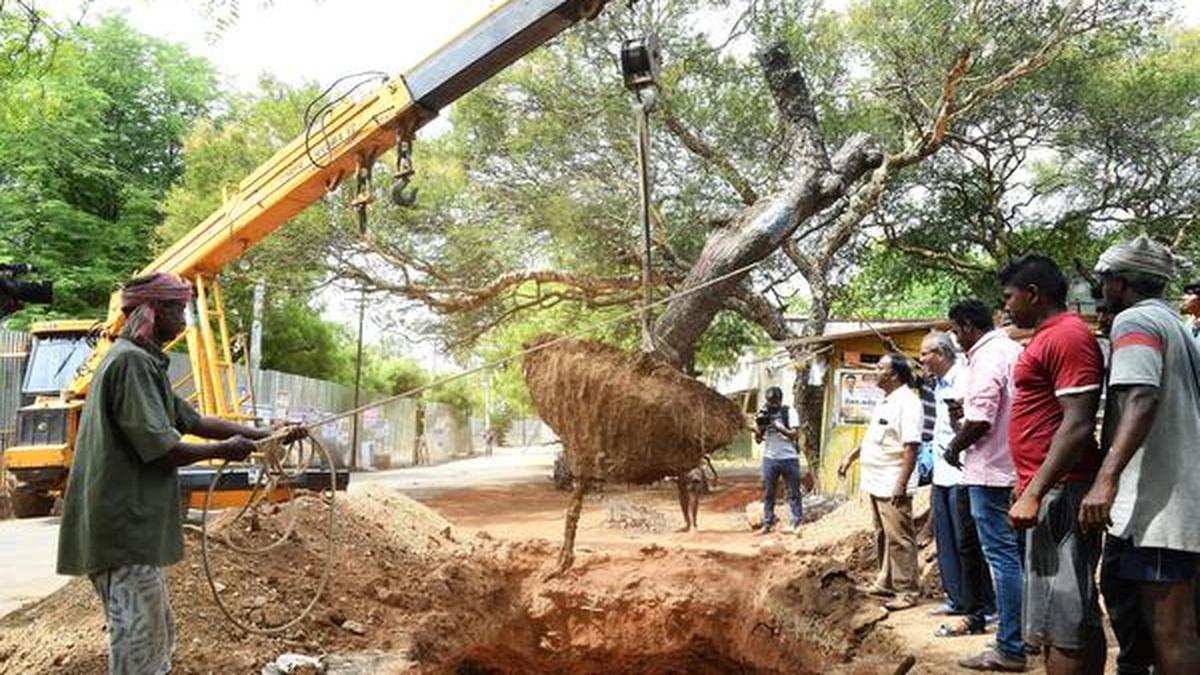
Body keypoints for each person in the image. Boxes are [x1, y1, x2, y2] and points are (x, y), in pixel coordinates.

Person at [56, 273, 306, 675]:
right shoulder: (131, 362)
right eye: (179, 309)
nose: (184, 319)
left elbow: (195, 421)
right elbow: (162, 449)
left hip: (130, 534)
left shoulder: (141, 361)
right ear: (154, 311)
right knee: (140, 642)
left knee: (155, 635)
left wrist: (268, 434)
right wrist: (224, 451)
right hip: (122, 533)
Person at [1082, 236, 1200, 675]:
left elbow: (1142, 398)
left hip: (1160, 508)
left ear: (1121, 282)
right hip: (1173, 497)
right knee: (1144, 613)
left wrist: (1105, 479)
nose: (1102, 289)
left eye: (1105, 280)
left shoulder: (1136, 322)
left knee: (1172, 629)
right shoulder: (1176, 325)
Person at [1000, 255, 1107, 675]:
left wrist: (1035, 491)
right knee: (1071, 614)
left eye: (1009, 296)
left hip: (1061, 491)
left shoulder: (1067, 336)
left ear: (1033, 294)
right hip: (1049, 488)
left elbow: (1077, 423)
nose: (1006, 305)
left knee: (1062, 619)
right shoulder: (1051, 336)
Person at [945, 298, 1028, 672]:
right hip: (1014, 468)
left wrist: (953, 447)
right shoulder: (1012, 350)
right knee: (1018, 557)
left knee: (1003, 559)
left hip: (991, 470)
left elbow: (981, 420)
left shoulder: (986, 355)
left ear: (967, 326)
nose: (956, 338)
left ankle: (1010, 646)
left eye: (955, 331)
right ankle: (1024, 635)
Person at [919, 332, 994, 639]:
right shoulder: (938, 383)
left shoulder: (964, 378)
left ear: (941, 354)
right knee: (947, 538)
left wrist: (954, 449)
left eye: (925, 354)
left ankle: (982, 603)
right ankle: (957, 598)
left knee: (967, 542)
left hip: (963, 468)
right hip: (942, 470)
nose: (921, 360)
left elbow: (971, 425)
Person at [837, 354, 923, 611]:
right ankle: (886, 581)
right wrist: (852, 456)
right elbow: (873, 437)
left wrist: (901, 484)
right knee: (883, 533)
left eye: (879, 368)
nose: (875, 371)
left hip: (892, 480)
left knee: (900, 537)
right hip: (876, 481)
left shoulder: (908, 402)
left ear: (894, 374)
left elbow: (911, 447)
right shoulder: (885, 401)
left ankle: (907, 591)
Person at [753, 386, 807, 535]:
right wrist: (759, 429)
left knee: (794, 492)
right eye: (770, 402)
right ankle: (767, 523)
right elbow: (758, 440)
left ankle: (796, 523)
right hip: (770, 458)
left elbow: (795, 434)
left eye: (775, 402)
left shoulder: (789, 412)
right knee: (768, 493)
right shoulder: (764, 413)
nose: (772, 405)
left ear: (780, 400)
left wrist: (779, 427)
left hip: (789, 458)